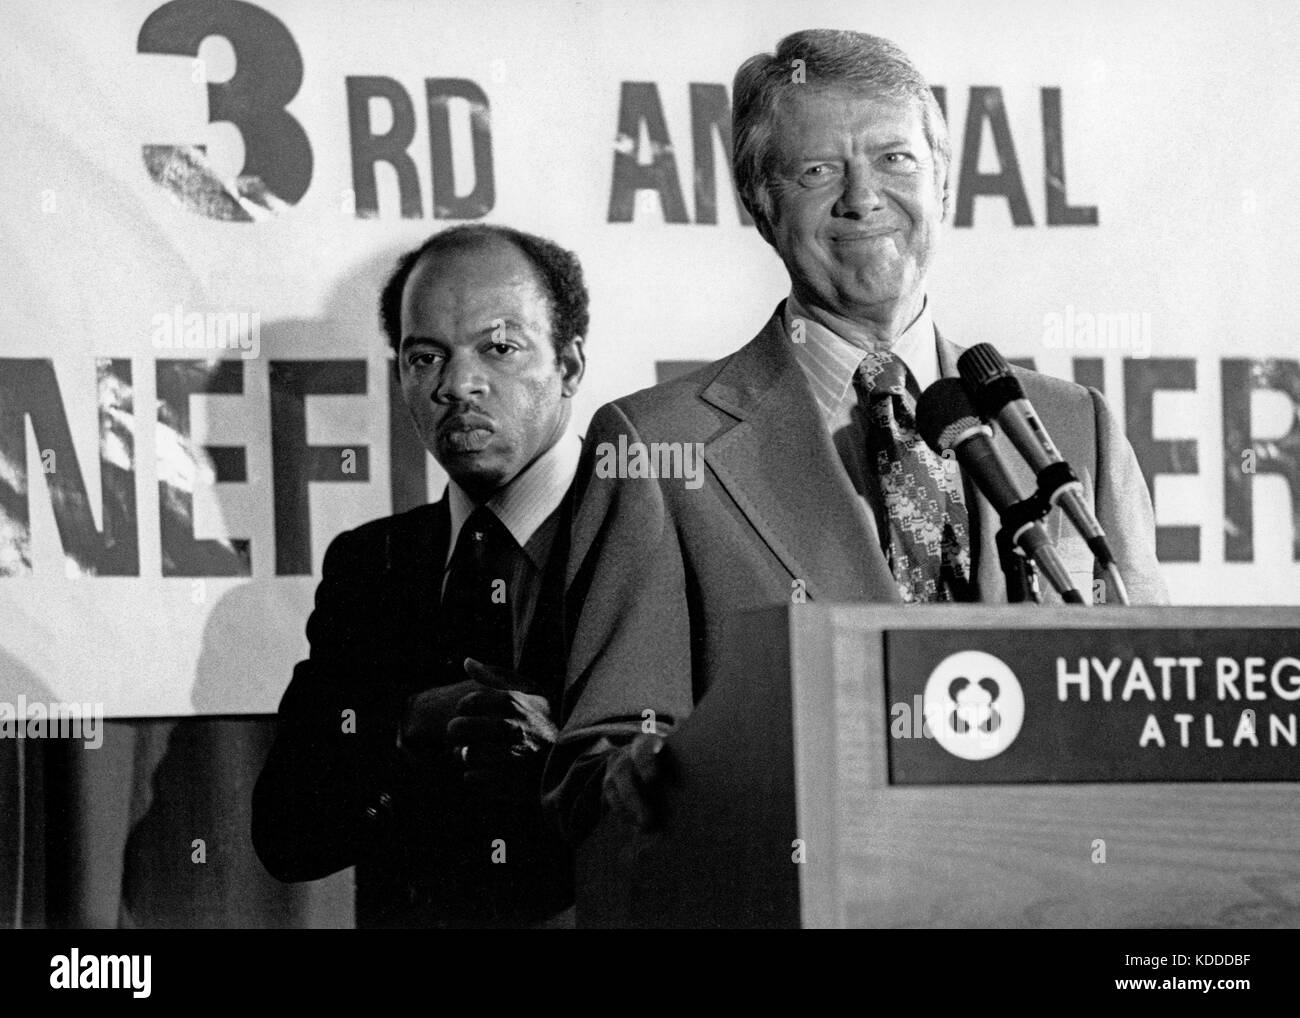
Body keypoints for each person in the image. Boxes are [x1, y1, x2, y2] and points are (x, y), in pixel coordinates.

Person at [542, 29, 1168, 844]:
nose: (863, 199)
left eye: (896, 160)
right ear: (759, 204)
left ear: (942, 182)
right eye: (818, 171)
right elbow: (605, 757)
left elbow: (1156, 702)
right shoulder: (658, 447)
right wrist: (637, 769)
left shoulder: (1073, 424)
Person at [252, 223, 588, 927]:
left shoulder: (661, 534)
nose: (458, 385)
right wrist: (405, 731)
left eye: (499, 348)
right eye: (425, 357)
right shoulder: (370, 565)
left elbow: (734, 793)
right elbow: (287, 834)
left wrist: (572, 763)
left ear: (571, 365)